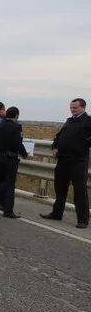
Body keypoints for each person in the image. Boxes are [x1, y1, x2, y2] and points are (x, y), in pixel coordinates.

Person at [40, 98, 91, 229]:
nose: (72, 110)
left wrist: (82, 146)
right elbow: (58, 136)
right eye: (71, 108)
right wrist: (55, 147)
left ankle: (83, 219)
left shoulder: (88, 121)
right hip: (63, 160)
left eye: (75, 108)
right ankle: (57, 213)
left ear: (83, 107)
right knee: (60, 188)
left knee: (79, 191)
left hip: (78, 161)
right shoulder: (69, 121)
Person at [0, 106, 29, 217]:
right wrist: (25, 154)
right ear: (16, 116)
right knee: (9, 184)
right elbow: (18, 143)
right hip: (10, 159)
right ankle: (8, 210)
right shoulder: (16, 127)